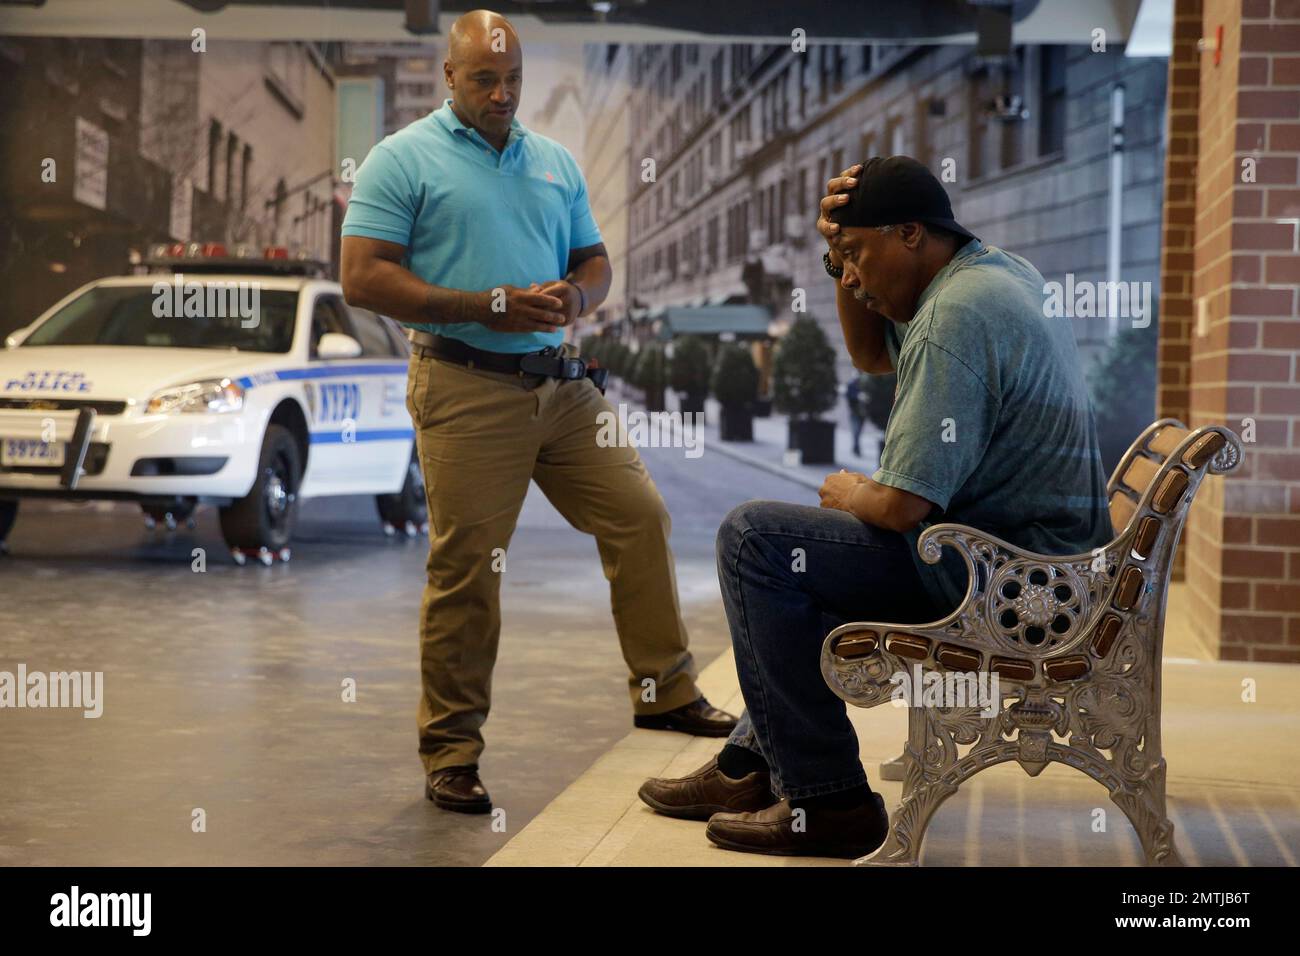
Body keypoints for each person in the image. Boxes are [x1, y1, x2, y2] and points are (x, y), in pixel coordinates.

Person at [638, 155, 1113, 859]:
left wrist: (851, 490)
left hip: (1009, 585)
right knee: (794, 565)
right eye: (839, 262)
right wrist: (840, 256)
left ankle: (828, 801)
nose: (850, 276)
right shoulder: (991, 275)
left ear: (910, 233)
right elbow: (866, 355)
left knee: (754, 542)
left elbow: (897, 505)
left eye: (856, 255)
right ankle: (750, 766)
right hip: (1029, 565)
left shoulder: (956, 315)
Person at [339, 9, 735, 815]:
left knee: (640, 515)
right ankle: (451, 749)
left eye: (513, 78)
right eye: (484, 78)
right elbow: (363, 276)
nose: (502, 92)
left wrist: (579, 295)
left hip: (563, 384)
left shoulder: (552, 161)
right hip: (464, 385)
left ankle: (663, 688)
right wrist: (481, 303)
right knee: (469, 570)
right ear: (450, 75)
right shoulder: (400, 159)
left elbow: (595, 260)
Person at [844, 372, 870, 458]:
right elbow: (848, 395)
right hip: (854, 412)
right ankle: (856, 448)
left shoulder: (863, 384)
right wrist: (858, 396)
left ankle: (856, 447)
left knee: (858, 431)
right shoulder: (851, 385)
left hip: (861, 412)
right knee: (856, 431)